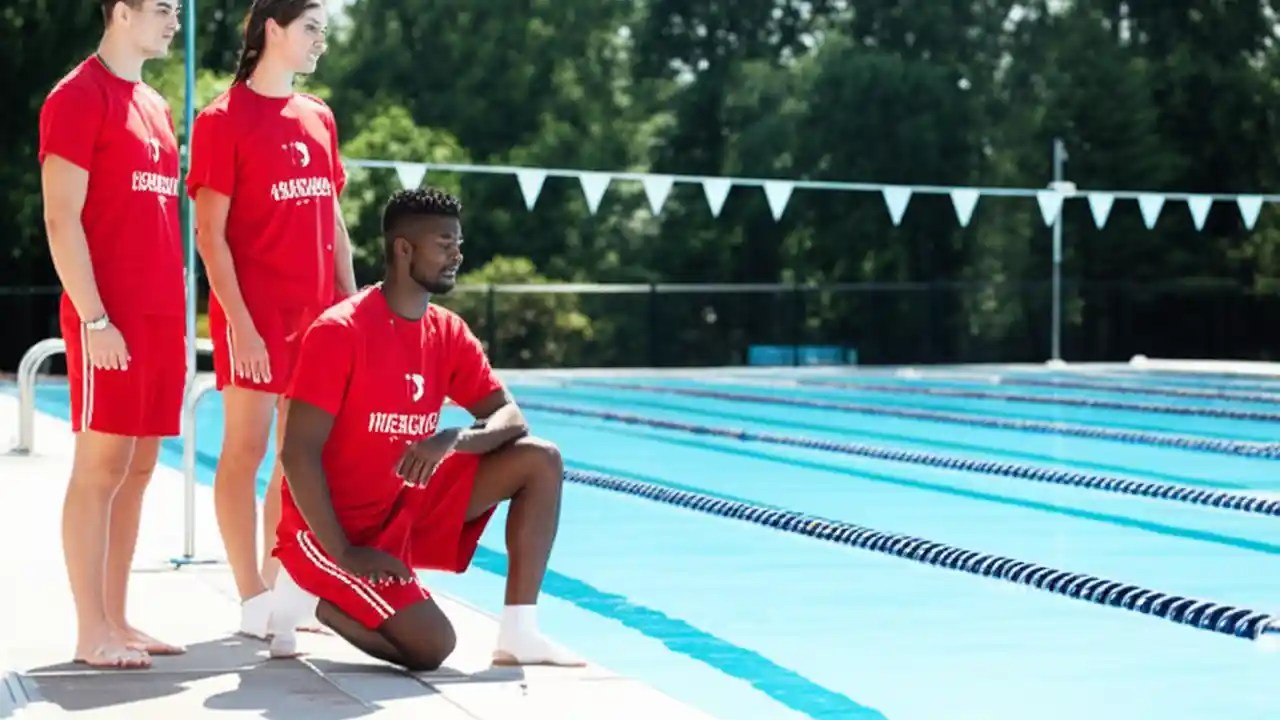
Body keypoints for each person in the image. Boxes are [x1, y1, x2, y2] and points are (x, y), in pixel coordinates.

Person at [264, 188, 583, 670]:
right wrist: (345, 552)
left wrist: (456, 436)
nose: (457, 254)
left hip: (404, 505)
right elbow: (297, 453)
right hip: (332, 529)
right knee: (432, 647)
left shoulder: (447, 331)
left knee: (540, 460)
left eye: (457, 242)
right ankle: (306, 594)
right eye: (444, 243)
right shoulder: (341, 332)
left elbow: (510, 416)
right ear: (403, 249)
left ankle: (519, 631)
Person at [187, 0, 356, 639]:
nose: (321, 42)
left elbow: (332, 220)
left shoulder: (319, 117)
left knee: (297, 460)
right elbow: (211, 237)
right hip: (253, 321)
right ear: (273, 30)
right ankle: (251, 595)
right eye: (313, 28)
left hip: (318, 321)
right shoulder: (222, 120)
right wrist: (243, 327)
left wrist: (352, 305)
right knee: (245, 453)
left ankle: (281, 587)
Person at [37, 0, 186, 668]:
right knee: (100, 470)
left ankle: (119, 618)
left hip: (159, 321)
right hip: (110, 322)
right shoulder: (76, 97)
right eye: (161, 9)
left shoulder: (154, 105)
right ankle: (89, 628)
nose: (173, 22)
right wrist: (95, 318)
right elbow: (61, 219)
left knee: (141, 468)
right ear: (121, 12)